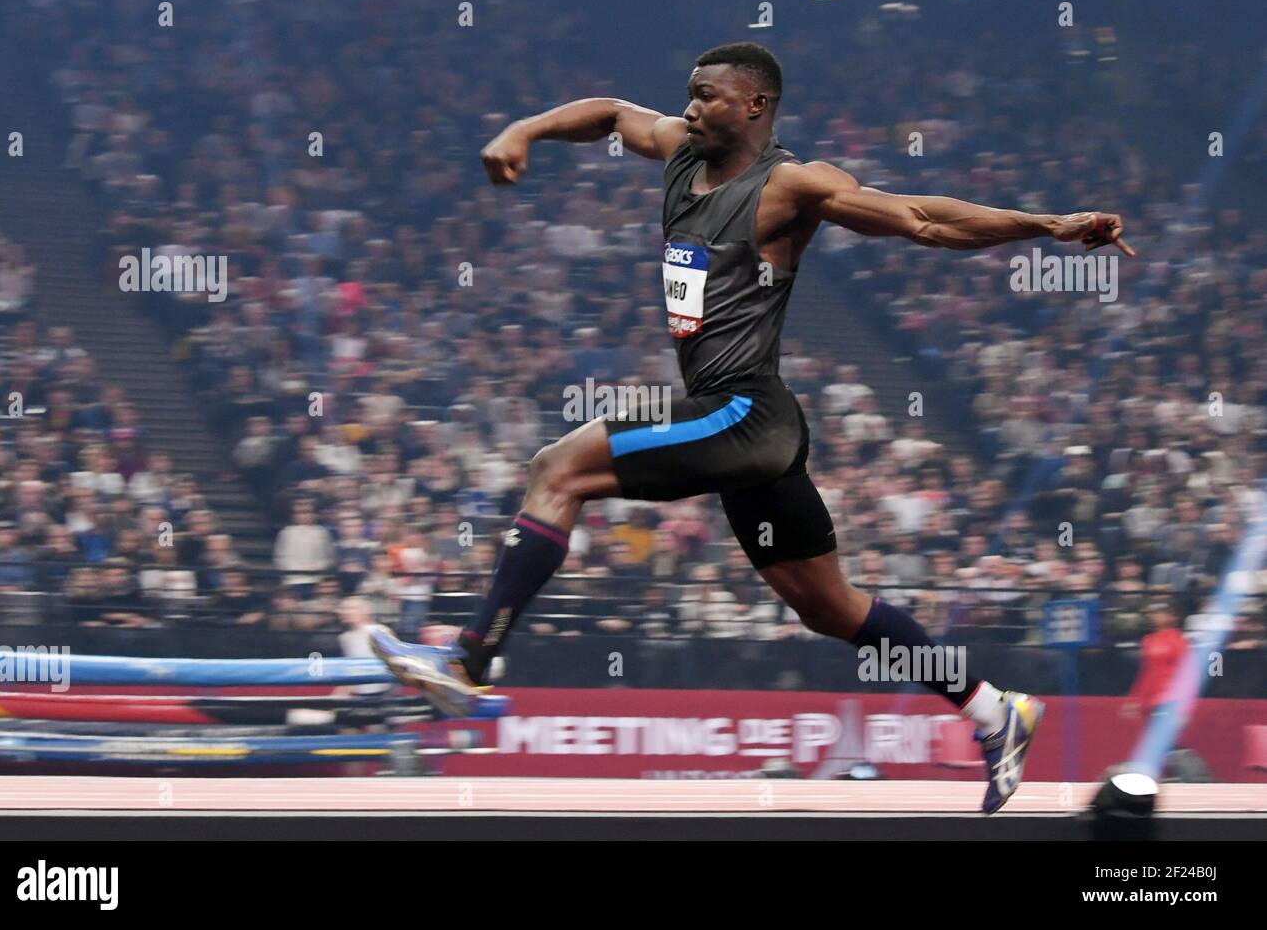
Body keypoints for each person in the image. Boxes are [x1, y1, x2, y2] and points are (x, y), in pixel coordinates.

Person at [370, 42, 1134, 813]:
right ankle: (997, 711)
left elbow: (922, 220)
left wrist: (1048, 226)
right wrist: (525, 130)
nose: (691, 108)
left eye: (708, 96)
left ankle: (470, 661)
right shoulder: (676, 151)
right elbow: (606, 112)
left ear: (755, 106)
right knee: (830, 607)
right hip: (749, 433)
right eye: (689, 95)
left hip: (743, 413)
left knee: (557, 468)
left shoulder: (792, 187)